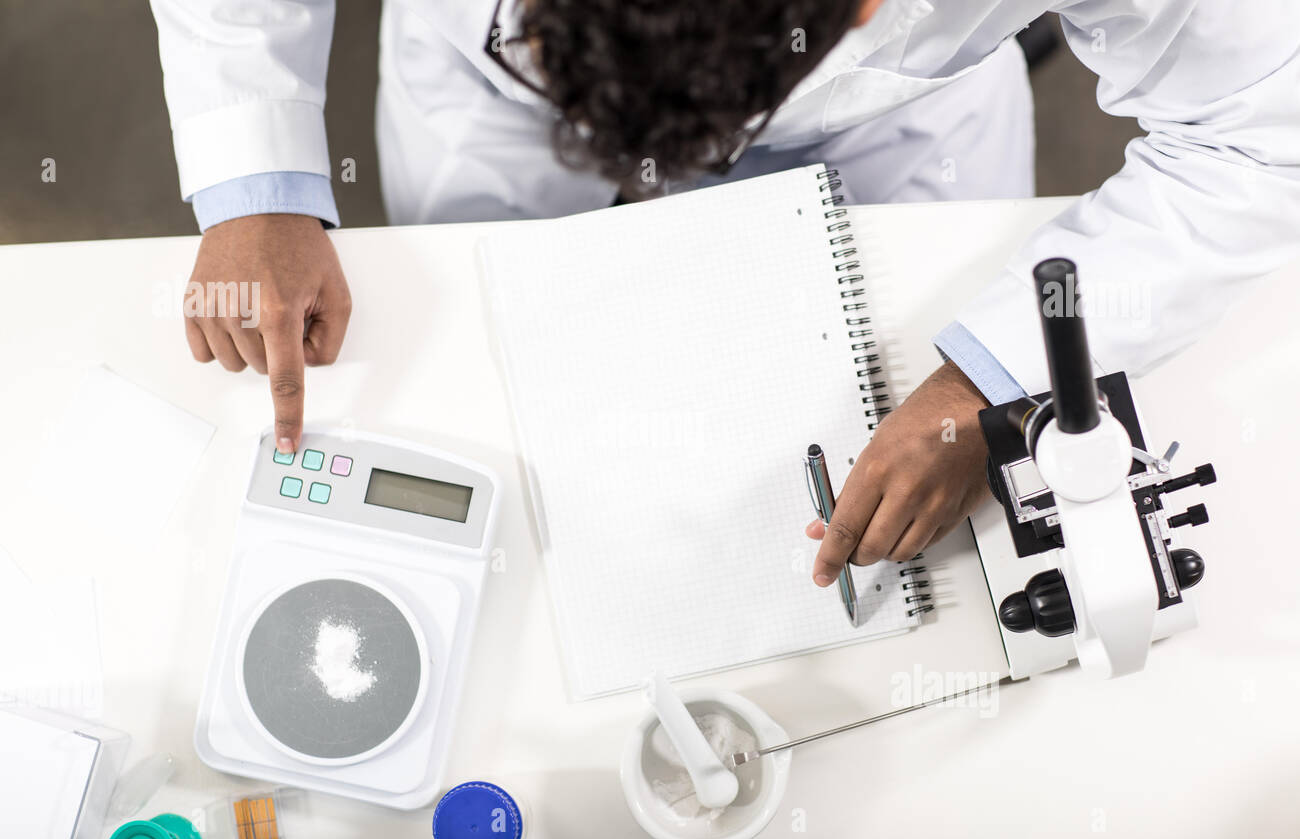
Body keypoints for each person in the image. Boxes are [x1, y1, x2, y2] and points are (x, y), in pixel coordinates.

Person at [150, 0, 1300, 594]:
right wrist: (256, 172)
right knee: (481, 395)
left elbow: (1262, 139)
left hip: (894, 121)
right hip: (488, 79)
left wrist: (982, 386)